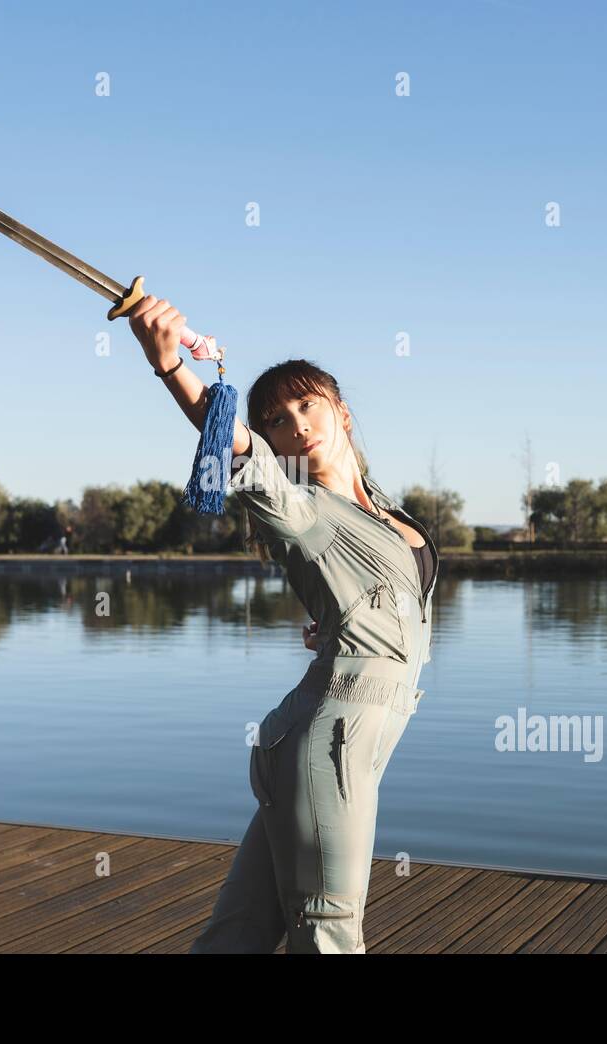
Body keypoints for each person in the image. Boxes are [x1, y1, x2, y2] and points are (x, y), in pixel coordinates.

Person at [128, 295, 438, 954]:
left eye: (307, 404)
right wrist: (170, 366)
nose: (295, 423)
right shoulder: (299, 507)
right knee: (329, 934)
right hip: (330, 744)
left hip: (346, 744)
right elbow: (231, 443)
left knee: (237, 936)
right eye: (275, 419)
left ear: (341, 410)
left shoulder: (385, 508)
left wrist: (335, 621)